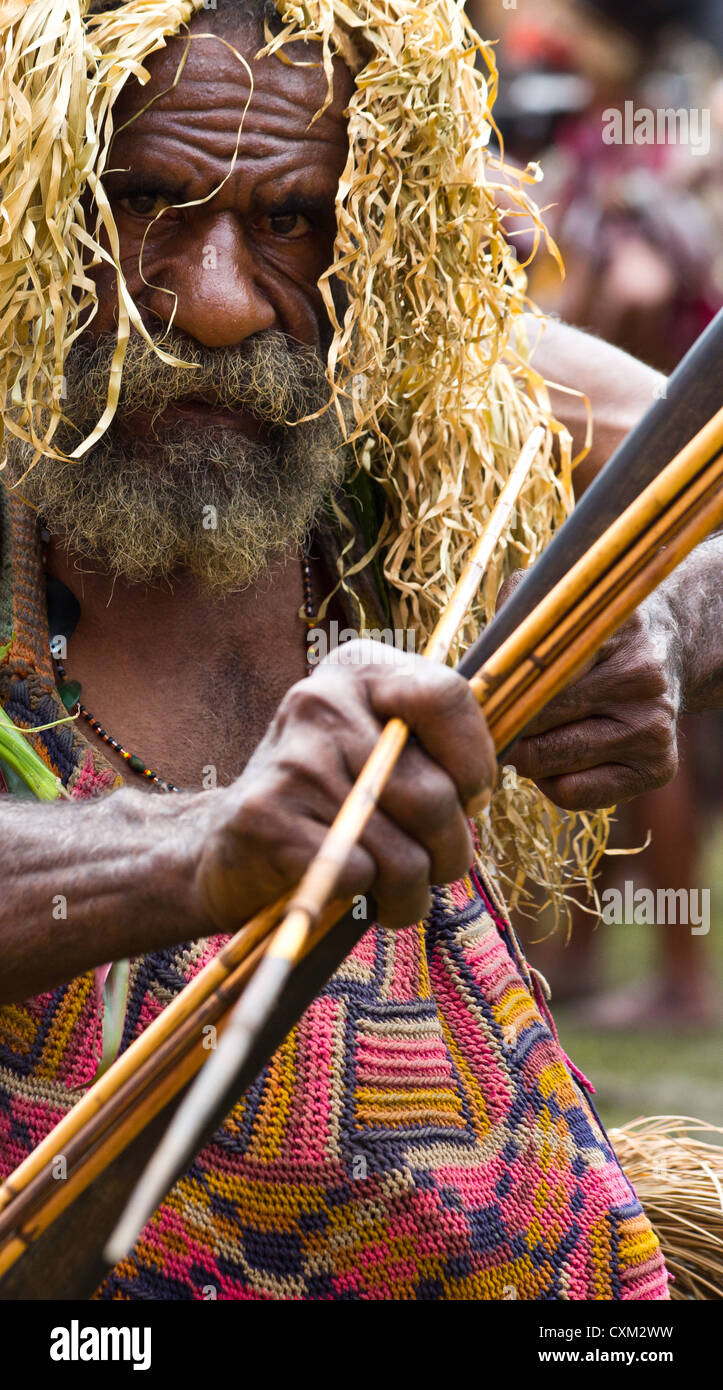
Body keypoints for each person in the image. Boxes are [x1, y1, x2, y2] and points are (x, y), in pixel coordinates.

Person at [0, 0, 720, 1301]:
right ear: (35, 192)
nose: (216, 304)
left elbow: (705, 490)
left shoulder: (414, 392)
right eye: (143, 201)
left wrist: (654, 617)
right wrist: (199, 848)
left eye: (286, 219)